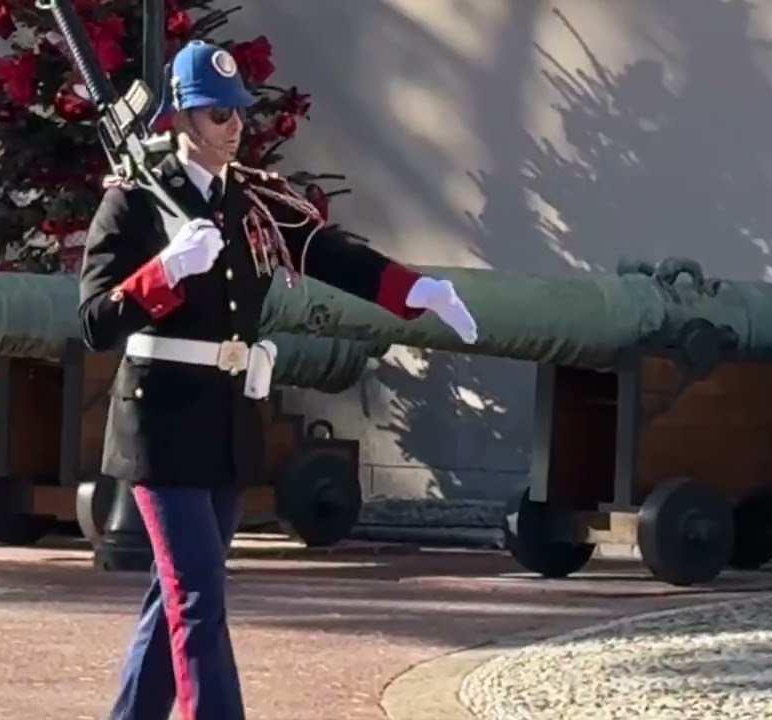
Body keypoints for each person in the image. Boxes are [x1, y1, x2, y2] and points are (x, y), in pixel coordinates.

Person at [78, 39, 478, 720]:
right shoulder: (136, 205)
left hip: (227, 425)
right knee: (198, 596)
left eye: (237, 113)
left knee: (175, 595)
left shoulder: (250, 203)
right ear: (178, 117)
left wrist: (415, 291)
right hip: (160, 426)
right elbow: (94, 322)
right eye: (215, 115)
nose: (233, 127)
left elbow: (325, 251)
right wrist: (164, 272)